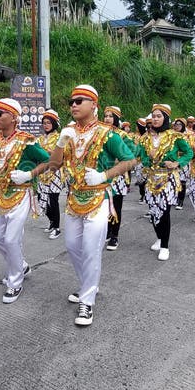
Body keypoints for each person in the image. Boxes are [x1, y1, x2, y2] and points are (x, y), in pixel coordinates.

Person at [47, 85, 135, 324]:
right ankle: (89, 285)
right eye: (71, 102)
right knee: (72, 246)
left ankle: (87, 301)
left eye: (79, 101)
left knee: (91, 249)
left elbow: (129, 160)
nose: (73, 105)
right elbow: (53, 166)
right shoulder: (67, 132)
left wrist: (104, 175)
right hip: (74, 199)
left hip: (98, 198)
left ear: (94, 105)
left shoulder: (107, 133)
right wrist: (61, 142)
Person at [0, 98, 50, 304]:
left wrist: (29, 174)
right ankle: (21, 266)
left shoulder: (26, 141)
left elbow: (49, 160)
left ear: (14, 118)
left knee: (10, 239)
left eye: (0, 113)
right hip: (2, 195)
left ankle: (15, 281)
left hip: (21, 194)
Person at [137, 103, 191, 257]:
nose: (155, 119)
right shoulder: (145, 138)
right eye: (153, 116)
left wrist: (176, 163)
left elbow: (188, 153)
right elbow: (142, 156)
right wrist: (148, 159)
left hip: (168, 178)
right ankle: (159, 238)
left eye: (159, 116)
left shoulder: (175, 136)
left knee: (165, 211)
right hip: (151, 178)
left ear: (165, 118)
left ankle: (165, 247)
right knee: (153, 211)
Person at [103, 104, 134, 250]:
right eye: (106, 116)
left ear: (116, 118)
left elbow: (133, 153)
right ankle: (107, 231)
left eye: (111, 116)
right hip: (103, 176)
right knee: (104, 205)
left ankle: (114, 236)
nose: (107, 119)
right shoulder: (100, 133)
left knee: (116, 206)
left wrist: (119, 160)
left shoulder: (123, 136)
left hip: (118, 177)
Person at [36, 109, 63, 239]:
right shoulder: (39, 139)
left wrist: (49, 153)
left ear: (54, 124)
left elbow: (62, 155)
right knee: (40, 198)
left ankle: (57, 227)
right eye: (44, 123)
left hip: (55, 172)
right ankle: (52, 221)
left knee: (53, 199)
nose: (46, 125)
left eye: (48, 123)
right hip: (42, 172)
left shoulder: (60, 138)